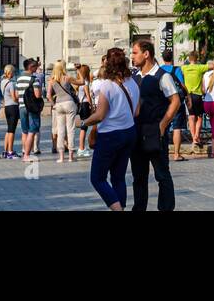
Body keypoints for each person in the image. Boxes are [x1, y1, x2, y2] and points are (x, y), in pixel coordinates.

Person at [82, 47, 140, 211]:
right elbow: (137, 111)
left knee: (97, 178)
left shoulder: (107, 86)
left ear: (107, 62)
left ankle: (118, 210)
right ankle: (120, 206)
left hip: (110, 135)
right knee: (118, 177)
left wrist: (83, 122)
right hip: (129, 132)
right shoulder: (133, 83)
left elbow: (100, 115)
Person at [128, 38, 179, 211]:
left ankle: (165, 208)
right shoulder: (134, 78)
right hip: (137, 132)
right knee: (139, 176)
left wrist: (163, 125)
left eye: (135, 53)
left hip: (155, 132)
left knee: (161, 174)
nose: (132, 57)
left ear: (146, 54)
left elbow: (175, 101)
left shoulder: (162, 76)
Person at [159, 50, 189, 161]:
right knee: (177, 128)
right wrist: (188, 96)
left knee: (163, 126)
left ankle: (162, 151)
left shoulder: (159, 69)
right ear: (172, 58)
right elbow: (182, 85)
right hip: (177, 102)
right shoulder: (176, 70)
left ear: (162, 58)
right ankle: (176, 154)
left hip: (164, 102)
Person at [49, 60, 80, 162]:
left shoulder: (52, 80)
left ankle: (61, 157)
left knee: (60, 130)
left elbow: (48, 96)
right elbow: (82, 82)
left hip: (59, 104)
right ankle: (71, 156)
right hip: (69, 103)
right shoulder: (67, 77)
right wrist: (79, 70)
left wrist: (54, 105)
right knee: (70, 129)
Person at [15, 59, 44, 161]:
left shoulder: (18, 79)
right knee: (32, 131)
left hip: (22, 107)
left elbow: (15, 96)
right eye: (35, 67)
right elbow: (37, 95)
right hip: (32, 108)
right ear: (31, 67)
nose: (37, 69)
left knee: (24, 131)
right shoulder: (34, 79)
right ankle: (27, 155)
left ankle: (25, 152)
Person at [180, 51, 208, 153]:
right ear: (196, 59)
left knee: (191, 117)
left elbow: (177, 70)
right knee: (200, 116)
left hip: (188, 95)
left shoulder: (184, 68)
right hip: (197, 95)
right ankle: (197, 136)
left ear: (189, 58)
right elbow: (213, 66)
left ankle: (194, 139)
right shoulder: (200, 67)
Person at [0, 65, 20, 159]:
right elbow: (14, 97)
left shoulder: (2, 82)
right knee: (12, 130)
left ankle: (5, 150)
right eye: (13, 72)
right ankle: (10, 151)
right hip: (13, 107)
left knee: (8, 130)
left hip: (6, 107)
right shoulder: (11, 84)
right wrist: (19, 98)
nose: (14, 74)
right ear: (10, 72)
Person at [74, 64, 95, 157]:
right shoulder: (85, 82)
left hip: (81, 104)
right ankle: (81, 148)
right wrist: (92, 105)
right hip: (85, 104)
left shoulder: (79, 82)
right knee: (84, 127)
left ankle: (81, 147)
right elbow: (88, 95)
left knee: (84, 126)